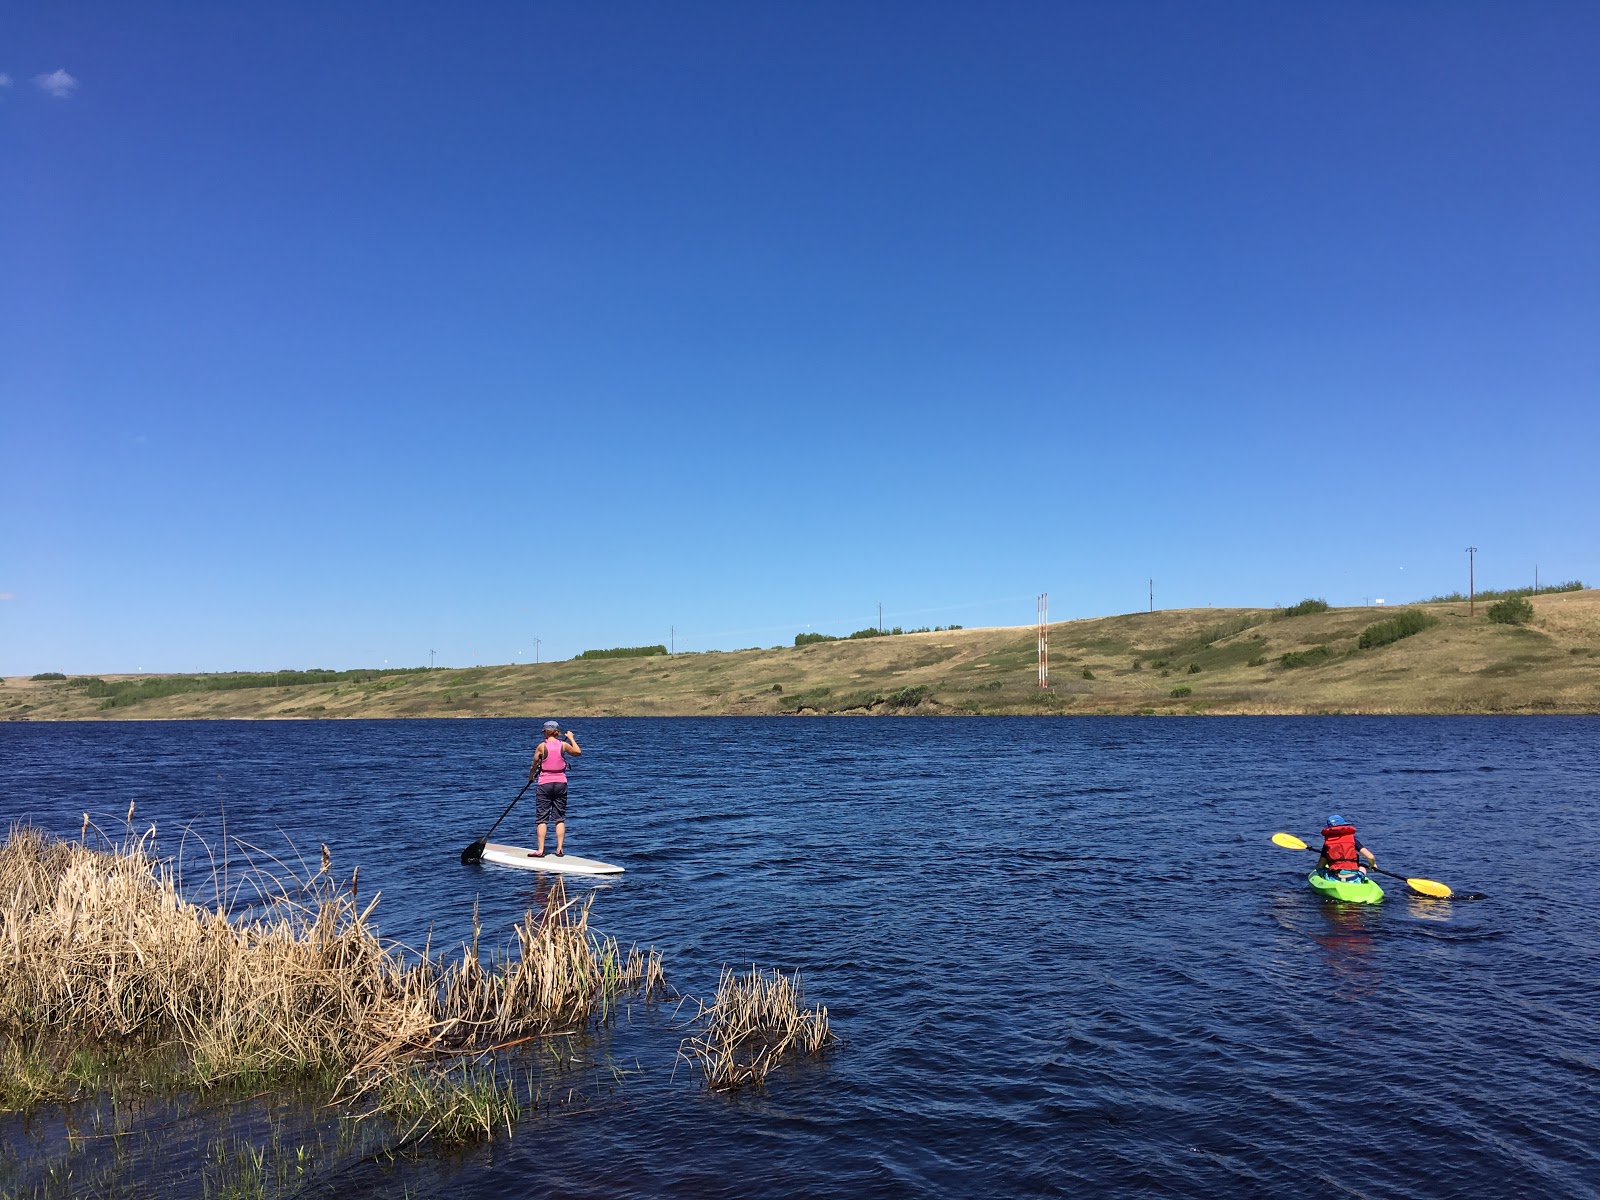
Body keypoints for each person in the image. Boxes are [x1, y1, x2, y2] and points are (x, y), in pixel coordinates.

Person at [528, 720, 581, 858]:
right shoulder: (563, 745)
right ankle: (559, 849)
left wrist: (531, 777)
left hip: (544, 784)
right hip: (561, 784)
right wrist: (571, 738)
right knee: (559, 818)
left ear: (545, 732)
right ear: (557, 732)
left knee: (542, 819)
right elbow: (577, 752)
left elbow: (533, 765)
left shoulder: (541, 746)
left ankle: (540, 850)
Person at [1316, 813, 1376, 881]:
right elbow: (1370, 857)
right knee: (1362, 868)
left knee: (1319, 870)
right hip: (1353, 878)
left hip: (1335, 878)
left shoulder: (1327, 843)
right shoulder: (1352, 840)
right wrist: (1372, 864)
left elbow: (1320, 865)